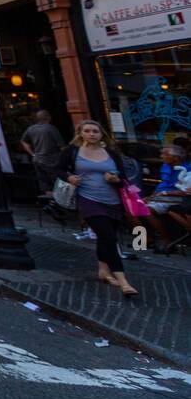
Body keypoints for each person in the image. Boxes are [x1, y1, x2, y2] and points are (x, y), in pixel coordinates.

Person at [58, 120, 138, 297]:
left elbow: (123, 177)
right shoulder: (72, 151)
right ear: (80, 133)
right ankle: (123, 281)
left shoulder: (111, 153)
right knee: (109, 237)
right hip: (88, 199)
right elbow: (59, 169)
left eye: (95, 131)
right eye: (87, 131)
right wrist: (70, 177)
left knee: (106, 237)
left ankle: (103, 270)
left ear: (102, 134)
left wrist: (115, 180)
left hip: (112, 200)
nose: (91, 134)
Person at [20, 109, 66, 198]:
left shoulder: (31, 128)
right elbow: (62, 146)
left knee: (45, 183)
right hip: (51, 159)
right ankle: (59, 203)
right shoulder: (51, 128)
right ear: (48, 117)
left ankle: (50, 202)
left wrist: (32, 154)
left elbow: (23, 141)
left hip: (37, 159)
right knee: (57, 181)